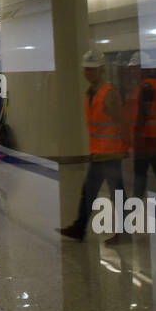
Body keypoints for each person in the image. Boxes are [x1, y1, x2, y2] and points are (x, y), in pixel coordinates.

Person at [59, 50, 131, 245]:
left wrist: (125, 147)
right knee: (91, 191)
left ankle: (117, 232)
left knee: (115, 194)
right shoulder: (90, 94)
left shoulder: (109, 94)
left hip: (111, 154)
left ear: (102, 70)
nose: (89, 73)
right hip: (99, 154)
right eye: (87, 70)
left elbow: (123, 122)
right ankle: (79, 227)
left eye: (93, 70)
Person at [124, 54, 156, 198]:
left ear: (143, 68)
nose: (132, 72)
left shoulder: (146, 87)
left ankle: (137, 202)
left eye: (134, 68)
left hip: (146, 139)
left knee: (141, 172)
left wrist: (136, 136)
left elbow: (143, 114)